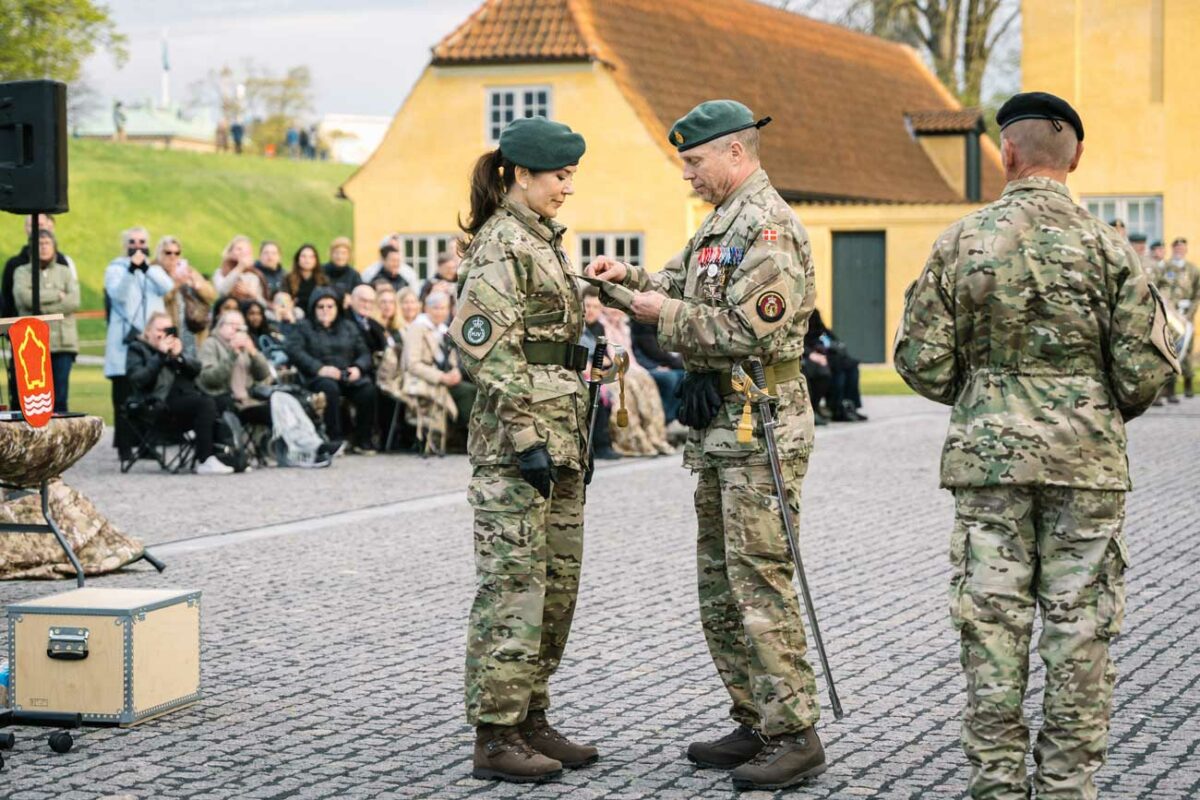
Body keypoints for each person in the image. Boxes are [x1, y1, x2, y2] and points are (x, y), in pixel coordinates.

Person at [894, 92, 1179, 800]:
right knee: (1081, 630)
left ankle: (995, 785)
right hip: (1087, 464)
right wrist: (1087, 404)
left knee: (991, 624)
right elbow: (1145, 372)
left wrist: (986, 391)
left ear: (1007, 154)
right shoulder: (1113, 246)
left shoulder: (960, 241)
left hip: (988, 462)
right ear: (1076, 157)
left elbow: (919, 361)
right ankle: (1066, 786)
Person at [588, 100, 825, 790]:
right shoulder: (719, 225)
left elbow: (748, 331)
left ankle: (795, 733)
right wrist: (627, 283)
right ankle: (755, 718)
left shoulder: (769, 228)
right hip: (723, 426)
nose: (686, 175)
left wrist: (662, 314)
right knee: (721, 585)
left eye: (693, 162)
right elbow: (673, 281)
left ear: (734, 154)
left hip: (763, 427)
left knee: (760, 581)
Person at [448, 116, 595, 782]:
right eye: (558, 176)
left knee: (555, 589)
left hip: (560, 441)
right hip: (519, 448)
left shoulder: (542, 240)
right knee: (513, 590)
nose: (567, 187)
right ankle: (496, 734)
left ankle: (532, 716)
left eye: (569, 175)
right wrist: (526, 437)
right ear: (520, 175)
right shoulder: (501, 243)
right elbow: (486, 346)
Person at [126, 312, 233, 475]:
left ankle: (225, 455)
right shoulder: (137, 349)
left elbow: (197, 369)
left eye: (168, 330)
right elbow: (139, 380)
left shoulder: (174, 349)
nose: (164, 335)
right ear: (147, 331)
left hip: (183, 401)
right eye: (159, 330)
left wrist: (180, 357)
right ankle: (205, 459)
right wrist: (160, 356)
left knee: (218, 401)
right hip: (154, 405)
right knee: (204, 404)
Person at [105, 226, 174, 461]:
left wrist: (145, 267)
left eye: (142, 241)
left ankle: (147, 444)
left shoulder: (153, 270)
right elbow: (118, 295)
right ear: (125, 244)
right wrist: (130, 270)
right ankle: (124, 447)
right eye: (132, 241)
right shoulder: (115, 269)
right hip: (125, 342)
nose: (137, 245)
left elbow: (167, 287)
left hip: (151, 342)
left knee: (151, 391)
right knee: (124, 394)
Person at [285, 287, 377, 453]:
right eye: (321, 307)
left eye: (330, 306)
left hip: (346, 374)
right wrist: (319, 368)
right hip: (317, 376)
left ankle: (363, 439)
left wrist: (358, 368)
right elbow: (294, 352)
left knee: (368, 390)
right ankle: (335, 438)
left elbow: (364, 352)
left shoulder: (348, 327)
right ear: (313, 308)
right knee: (329, 389)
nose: (325, 310)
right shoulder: (303, 327)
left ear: (337, 308)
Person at [3, 213, 76, 407]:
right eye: (39, 243)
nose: (43, 247)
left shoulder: (65, 270)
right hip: (30, 343)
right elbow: (23, 299)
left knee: (59, 400)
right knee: (29, 401)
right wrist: (56, 296)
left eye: (47, 243)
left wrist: (41, 304)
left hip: (61, 343)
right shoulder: (19, 270)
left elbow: (73, 302)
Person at [400, 291, 475, 453]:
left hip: (445, 377)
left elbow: (452, 357)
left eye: (444, 308)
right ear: (427, 308)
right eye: (436, 308)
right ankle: (464, 438)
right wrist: (441, 377)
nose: (440, 312)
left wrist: (455, 372)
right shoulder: (418, 328)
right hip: (425, 380)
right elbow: (412, 365)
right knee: (468, 392)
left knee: (473, 386)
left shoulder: (443, 330)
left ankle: (465, 437)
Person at [198, 309, 274, 430]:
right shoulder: (210, 344)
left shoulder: (245, 344)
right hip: (224, 399)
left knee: (278, 408)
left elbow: (263, 374)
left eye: (241, 327)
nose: (237, 329)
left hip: (249, 399)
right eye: (232, 325)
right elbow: (209, 379)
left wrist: (254, 353)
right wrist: (232, 354)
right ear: (220, 326)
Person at [157, 236, 217, 357]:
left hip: (193, 329)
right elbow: (160, 298)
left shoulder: (188, 270)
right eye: (168, 252)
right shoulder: (156, 272)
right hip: (170, 330)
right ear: (160, 254)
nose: (173, 256)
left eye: (177, 253)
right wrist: (176, 284)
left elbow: (212, 296)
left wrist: (198, 286)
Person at [1156, 236, 1199, 399]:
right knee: (1169, 348)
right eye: (1177, 248)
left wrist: (1190, 313)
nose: (1179, 251)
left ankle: (1188, 383)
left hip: (1186, 315)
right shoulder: (1164, 268)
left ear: (1186, 250)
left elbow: (1197, 293)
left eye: (1182, 248)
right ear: (1173, 249)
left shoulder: (1193, 269)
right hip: (1169, 315)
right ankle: (1169, 388)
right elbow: (1158, 289)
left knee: (1186, 348)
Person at [629, 318, 684, 424]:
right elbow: (651, 350)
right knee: (670, 378)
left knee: (683, 376)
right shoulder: (642, 323)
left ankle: (672, 417)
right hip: (646, 365)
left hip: (658, 363)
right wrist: (673, 363)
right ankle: (665, 419)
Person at [214, 235, 267, 301]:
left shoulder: (254, 275)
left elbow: (263, 305)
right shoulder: (220, 272)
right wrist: (240, 267)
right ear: (230, 252)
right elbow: (222, 292)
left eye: (246, 250)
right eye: (239, 249)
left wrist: (250, 293)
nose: (243, 252)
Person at [347, 283, 391, 357]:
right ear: (352, 299)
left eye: (371, 302)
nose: (367, 305)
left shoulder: (375, 325)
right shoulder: (343, 320)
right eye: (363, 300)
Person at [284, 243, 329, 313]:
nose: (307, 260)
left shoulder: (323, 280)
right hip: (296, 314)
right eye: (303, 256)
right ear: (297, 259)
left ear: (316, 260)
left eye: (311, 257)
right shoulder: (288, 279)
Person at [323, 237, 361, 302]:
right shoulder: (322, 271)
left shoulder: (354, 275)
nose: (340, 256)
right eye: (336, 253)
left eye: (344, 253)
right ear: (331, 254)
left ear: (349, 255)